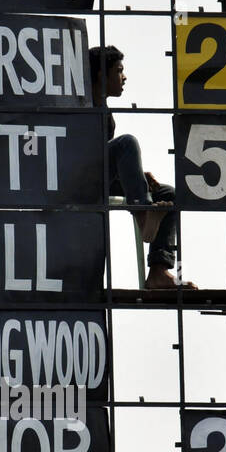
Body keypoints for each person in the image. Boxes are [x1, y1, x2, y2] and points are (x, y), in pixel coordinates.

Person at [89, 44, 195, 291]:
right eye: (118, 71)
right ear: (100, 75)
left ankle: (159, 271)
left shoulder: (104, 111)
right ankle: (143, 214)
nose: (124, 77)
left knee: (168, 193)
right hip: (77, 178)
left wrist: (134, 172)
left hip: (98, 175)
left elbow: (103, 154)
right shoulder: (77, 105)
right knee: (128, 142)